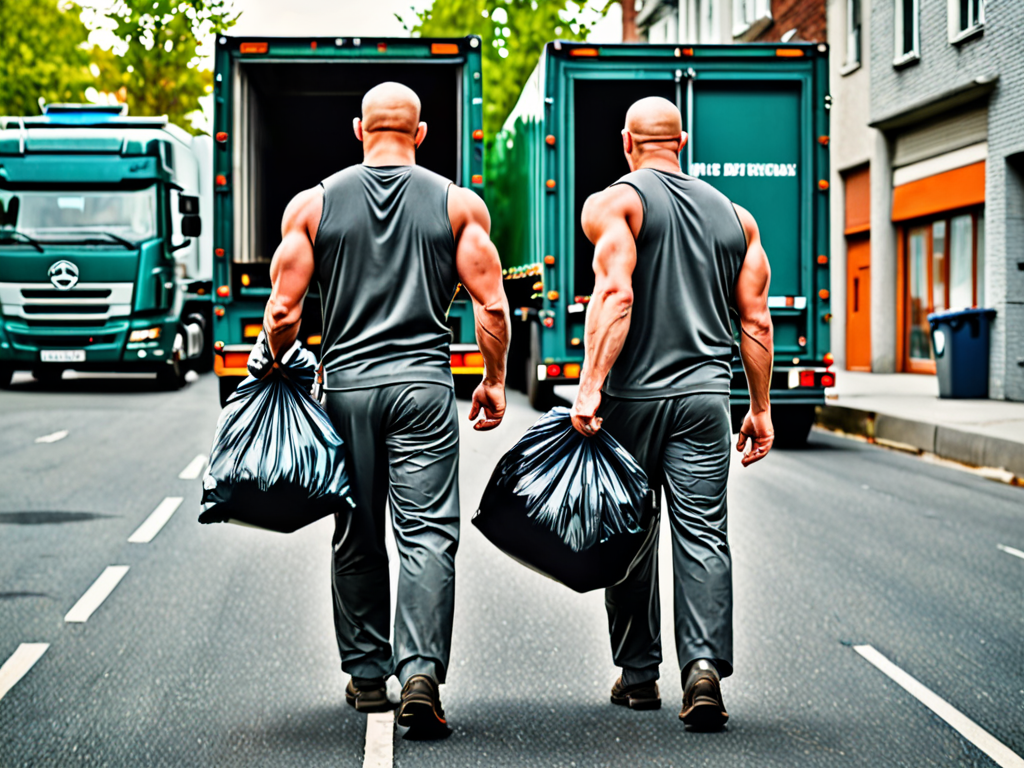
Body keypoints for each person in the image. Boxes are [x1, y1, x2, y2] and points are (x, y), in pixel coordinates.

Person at [261, 82, 510, 738]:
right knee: (428, 532)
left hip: (346, 389)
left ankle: (369, 675)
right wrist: (493, 380)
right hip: (425, 389)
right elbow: (491, 305)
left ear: (357, 129)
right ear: (420, 133)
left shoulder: (312, 205)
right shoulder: (457, 204)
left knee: (356, 528)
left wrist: (277, 359)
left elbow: (283, 310)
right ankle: (421, 671)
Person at [570, 96, 774, 730]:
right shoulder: (736, 219)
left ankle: (637, 677)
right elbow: (756, 321)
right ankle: (704, 671)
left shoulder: (616, 204)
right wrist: (760, 409)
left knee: (630, 533)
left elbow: (616, 292)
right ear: (680, 141)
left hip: (634, 400)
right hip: (706, 401)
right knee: (704, 532)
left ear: (627, 140)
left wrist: (590, 386)